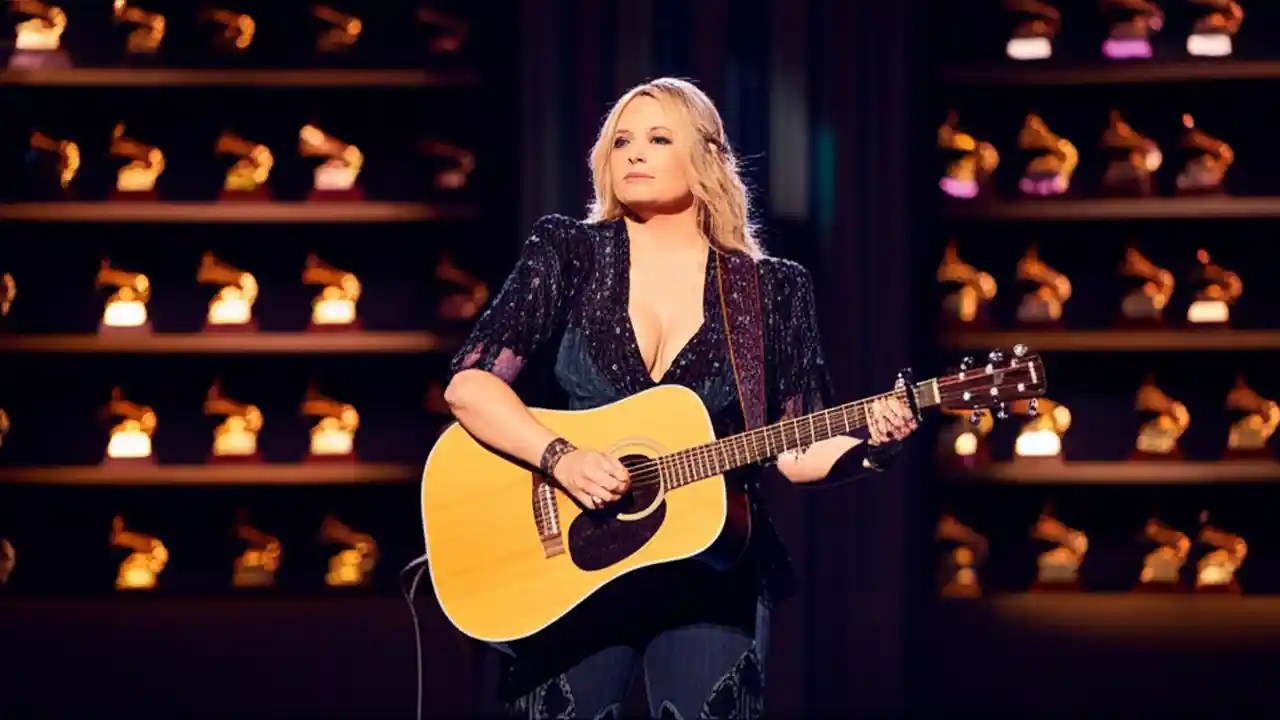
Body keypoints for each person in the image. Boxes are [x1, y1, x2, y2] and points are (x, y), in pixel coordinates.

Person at [442, 77, 919, 720]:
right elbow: (470, 386)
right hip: (571, 563)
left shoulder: (769, 290)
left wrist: (871, 443)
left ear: (707, 156)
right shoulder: (570, 252)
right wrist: (562, 457)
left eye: (658, 138)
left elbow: (797, 446)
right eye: (621, 141)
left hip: (709, 571)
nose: (633, 153)